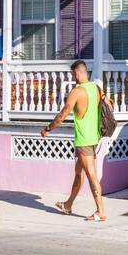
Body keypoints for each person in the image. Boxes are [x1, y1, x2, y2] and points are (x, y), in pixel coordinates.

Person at [41, 59, 107, 222]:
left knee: (91, 175)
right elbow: (109, 106)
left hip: (84, 139)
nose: (73, 77)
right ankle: (68, 204)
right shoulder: (97, 88)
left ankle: (100, 211)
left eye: (73, 74)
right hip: (94, 137)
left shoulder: (77, 92)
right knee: (79, 172)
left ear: (78, 73)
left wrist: (48, 128)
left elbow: (63, 114)